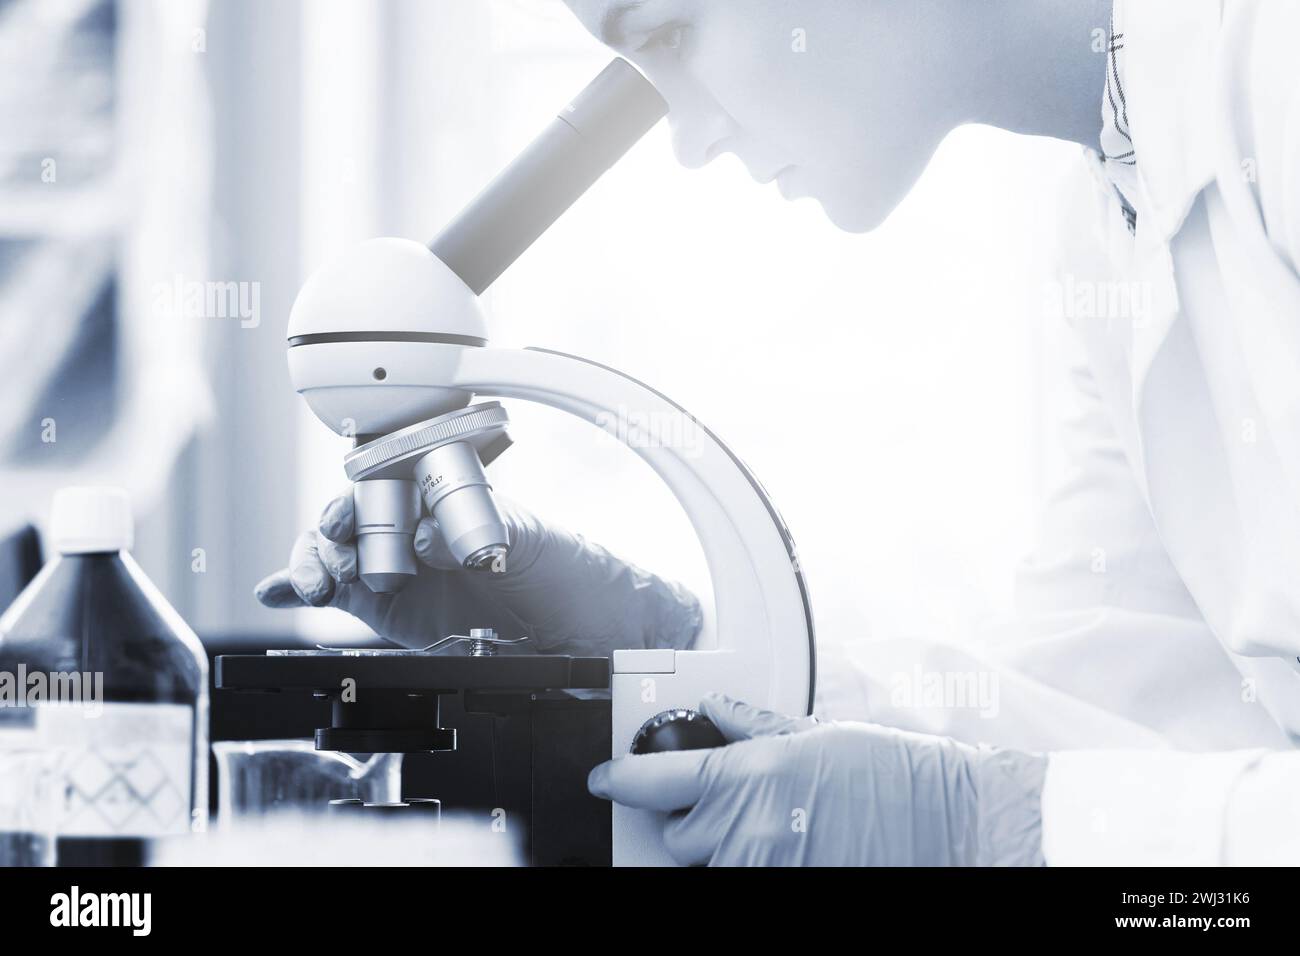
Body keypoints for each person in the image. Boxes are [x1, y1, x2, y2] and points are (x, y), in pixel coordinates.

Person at [260, 0, 1300, 865]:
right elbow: (1126, 736)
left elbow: (1049, 812)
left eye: (668, 33)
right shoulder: (1106, 223)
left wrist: (993, 826)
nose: (687, 140)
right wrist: (676, 648)